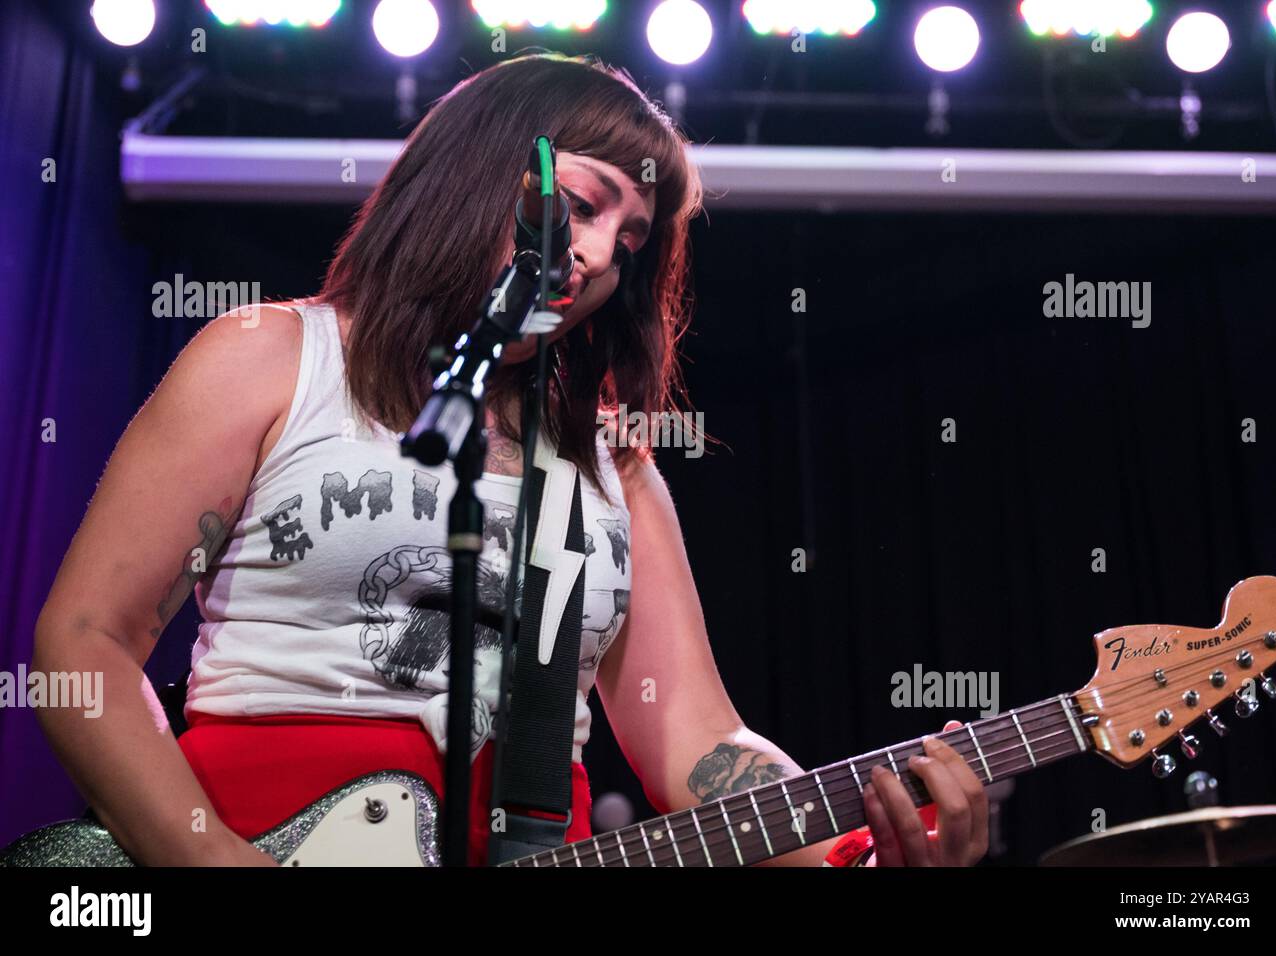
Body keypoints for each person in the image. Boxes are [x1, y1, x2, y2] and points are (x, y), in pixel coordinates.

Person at [31, 52, 988, 867]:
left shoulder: (610, 463)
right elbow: (84, 640)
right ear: (481, 171)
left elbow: (697, 743)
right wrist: (205, 857)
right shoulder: (274, 357)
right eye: (582, 205)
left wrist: (863, 843)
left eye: (631, 240)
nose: (601, 254)